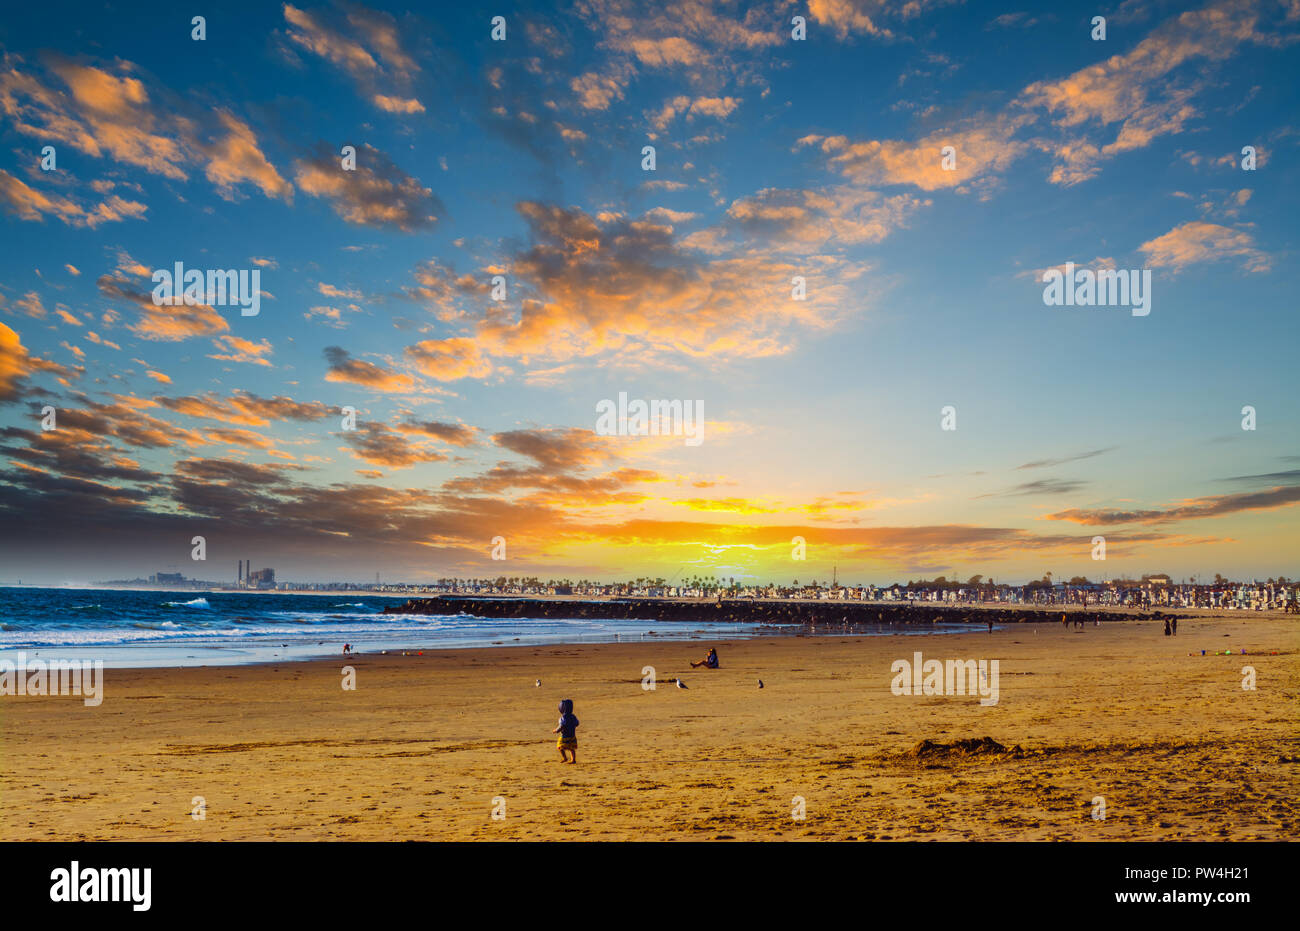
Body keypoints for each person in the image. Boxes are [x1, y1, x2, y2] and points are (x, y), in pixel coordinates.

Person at [553, 699, 579, 764]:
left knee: (560, 746)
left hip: (564, 736)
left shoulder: (563, 718)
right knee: (571, 748)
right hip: (572, 735)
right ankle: (573, 759)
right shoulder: (573, 716)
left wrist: (556, 730)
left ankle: (565, 758)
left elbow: (561, 726)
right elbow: (577, 723)